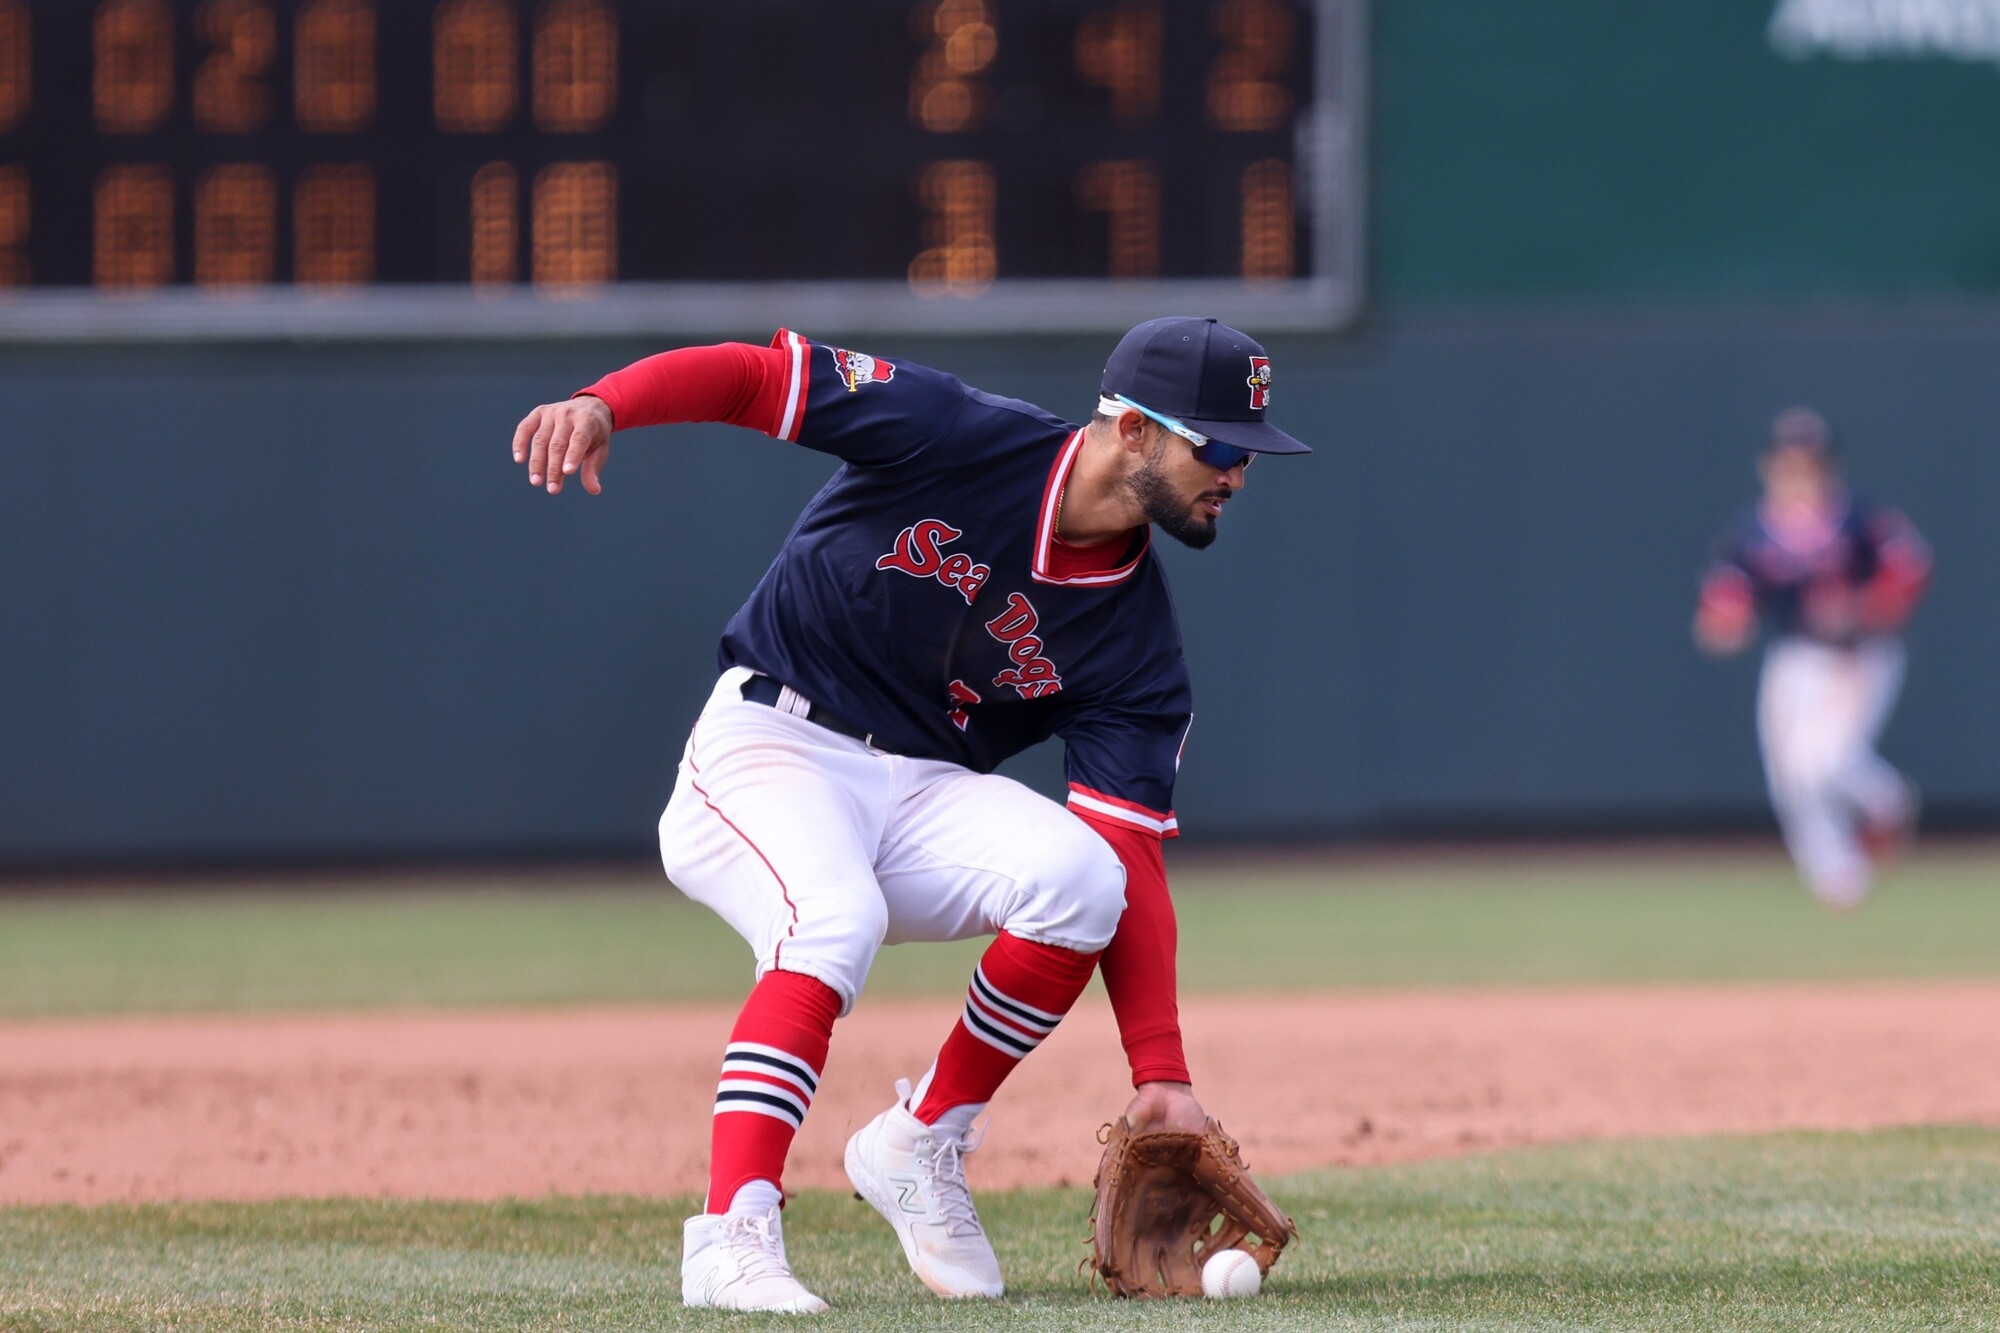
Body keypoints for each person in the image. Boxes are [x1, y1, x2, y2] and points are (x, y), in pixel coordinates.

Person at [510, 317, 1309, 1312]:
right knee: (831, 917)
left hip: (921, 791)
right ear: (1134, 432)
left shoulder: (1137, 648)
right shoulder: (957, 431)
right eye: (1219, 447)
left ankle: (919, 1137)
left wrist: (1162, 1073)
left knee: (1082, 879)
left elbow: (1129, 863)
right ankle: (728, 1234)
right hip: (773, 741)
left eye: (1248, 455)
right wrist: (606, 401)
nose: (1234, 475)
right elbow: (755, 381)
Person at [1694, 407, 1930, 909]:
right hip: (1794, 657)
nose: (1798, 471)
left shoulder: (1857, 517)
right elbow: (1726, 596)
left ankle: (1886, 801)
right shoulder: (1753, 530)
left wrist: (1869, 610)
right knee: (1788, 774)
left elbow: (1909, 567)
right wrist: (1724, 619)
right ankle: (1837, 876)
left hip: (1859, 656)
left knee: (1823, 762)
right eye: (1788, 461)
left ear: (1829, 465)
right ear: (1770, 466)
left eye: (1809, 461)